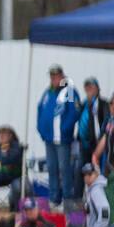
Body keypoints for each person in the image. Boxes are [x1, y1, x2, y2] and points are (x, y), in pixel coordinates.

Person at [36, 64, 81, 207]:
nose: (54, 79)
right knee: (52, 168)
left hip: (62, 140)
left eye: (56, 76)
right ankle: (54, 199)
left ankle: (67, 200)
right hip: (49, 139)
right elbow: (40, 110)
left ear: (62, 76)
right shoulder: (47, 92)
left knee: (64, 169)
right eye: (51, 76)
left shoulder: (70, 91)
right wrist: (41, 129)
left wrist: (64, 129)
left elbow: (74, 113)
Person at [76, 77, 109, 200]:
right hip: (85, 144)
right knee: (80, 172)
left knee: (98, 172)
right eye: (86, 87)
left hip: (99, 144)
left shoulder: (104, 104)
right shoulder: (83, 104)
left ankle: (99, 198)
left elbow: (106, 123)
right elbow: (79, 122)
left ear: (97, 88)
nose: (88, 90)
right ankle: (79, 202)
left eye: (91, 87)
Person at [82, 162, 111, 227]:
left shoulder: (96, 190)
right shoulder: (92, 189)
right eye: (85, 174)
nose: (87, 177)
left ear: (96, 174)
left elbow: (105, 213)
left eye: (90, 174)